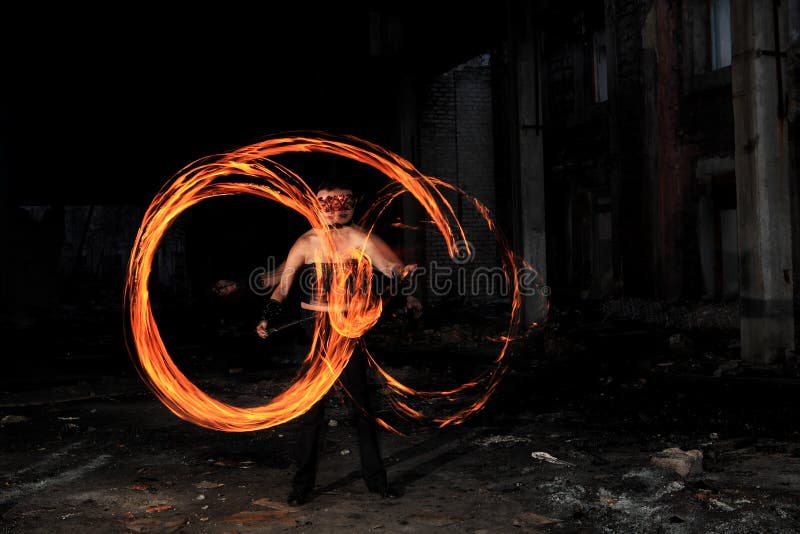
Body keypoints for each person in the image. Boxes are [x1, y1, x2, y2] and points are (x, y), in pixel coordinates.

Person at [256, 177, 422, 506]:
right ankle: (301, 488)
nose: (334, 212)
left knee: (361, 408)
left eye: (341, 204)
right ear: (316, 205)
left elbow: (389, 267)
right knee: (311, 411)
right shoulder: (306, 242)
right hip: (315, 332)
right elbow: (283, 288)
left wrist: (403, 277)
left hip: (348, 330)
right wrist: (267, 316)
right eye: (327, 205)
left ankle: (376, 483)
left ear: (351, 205)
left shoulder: (360, 237)